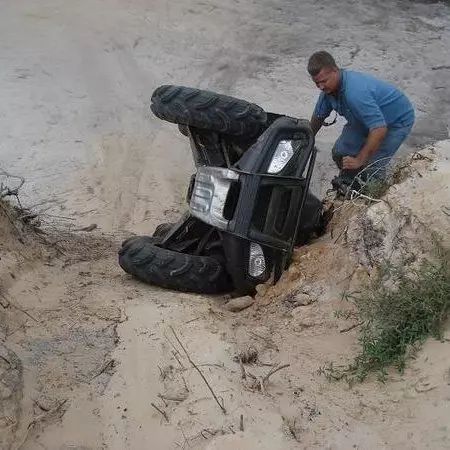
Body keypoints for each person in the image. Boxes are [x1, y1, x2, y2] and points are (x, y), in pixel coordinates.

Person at [308, 51, 415, 183]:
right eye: (317, 83)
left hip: (395, 121)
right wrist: (306, 139)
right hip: (363, 119)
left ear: (335, 71)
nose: (321, 87)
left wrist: (360, 160)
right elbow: (318, 117)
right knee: (340, 152)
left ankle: (371, 195)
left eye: (324, 81)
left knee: (372, 167)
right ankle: (349, 181)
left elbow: (379, 129)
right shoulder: (327, 92)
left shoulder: (355, 93)